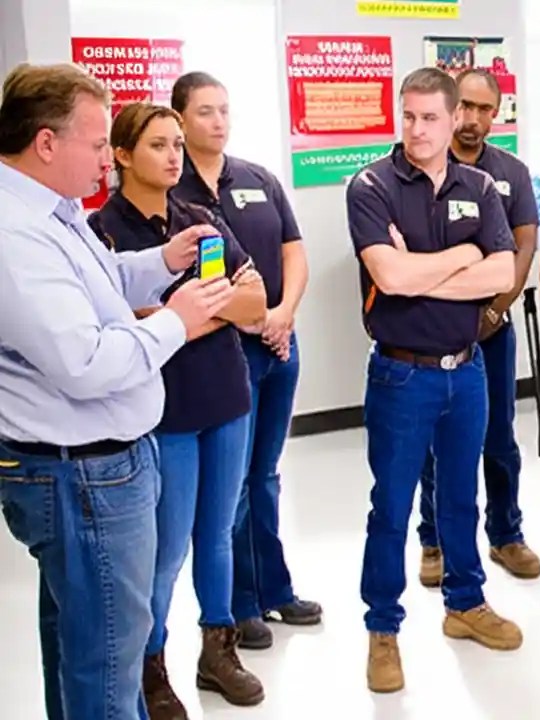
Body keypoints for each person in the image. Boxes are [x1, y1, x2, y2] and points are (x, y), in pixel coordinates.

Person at [0, 63, 234, 720]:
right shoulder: (14, 234)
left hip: (93, 471)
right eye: (99, 143)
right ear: (47, 143)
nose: (108, 156)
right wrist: (176, 321)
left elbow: (98, 288)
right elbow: (85, 360)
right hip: (84, 478)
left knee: (81, 647)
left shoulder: (54, 212)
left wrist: (162, 263)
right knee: (109, 662)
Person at [88, 102, 269, 715]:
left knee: (217, 534)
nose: (174, 156)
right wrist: (195, 314)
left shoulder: (199, 219)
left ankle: (218, 649)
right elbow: (107, 323)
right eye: (159, 145)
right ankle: (151, 664)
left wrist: (177, 318)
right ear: (120, 155)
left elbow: (257, 304)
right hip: (163, 412)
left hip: (226, 396)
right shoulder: (101, 232)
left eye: (176, 145)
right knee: (164, 552)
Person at [347, 67, 519, 694]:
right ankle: (383, 629)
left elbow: (501, 272)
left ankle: (465, 605)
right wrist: (461, 257)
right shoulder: (370, 186)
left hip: (466, 370)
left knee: (459, 500)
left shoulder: (481, 184)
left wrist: (423, 268)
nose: (417, 129)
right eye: (408, 116)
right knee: (391, 507)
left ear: (454, 121)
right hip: (401, 373)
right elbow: (389, 279)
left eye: (430, 118)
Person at [170, 72, 321, 651]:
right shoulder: (173, 190)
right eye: (205, 111)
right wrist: (255, 319)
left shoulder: (258, 179)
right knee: (229, 486)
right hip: (222, 355)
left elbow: (293, 250)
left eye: (225, 110)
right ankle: (237, 604)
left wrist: (283, 312)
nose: (218, 121)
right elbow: (185, 287)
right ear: (179, 119)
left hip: (279, 345)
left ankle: (274, 588)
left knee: (267, 475)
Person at [416, 68, 540, 588]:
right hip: (432, 334)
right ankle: (434, 540)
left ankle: (505, 534)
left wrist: (492, 311)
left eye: (482, 109)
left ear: (497, 113)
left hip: (490, 333)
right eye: (463, 107)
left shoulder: (510, 172)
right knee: (435, 439)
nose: (471, 119)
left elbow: (524, 245)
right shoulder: (422, 170)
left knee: (498, 437)